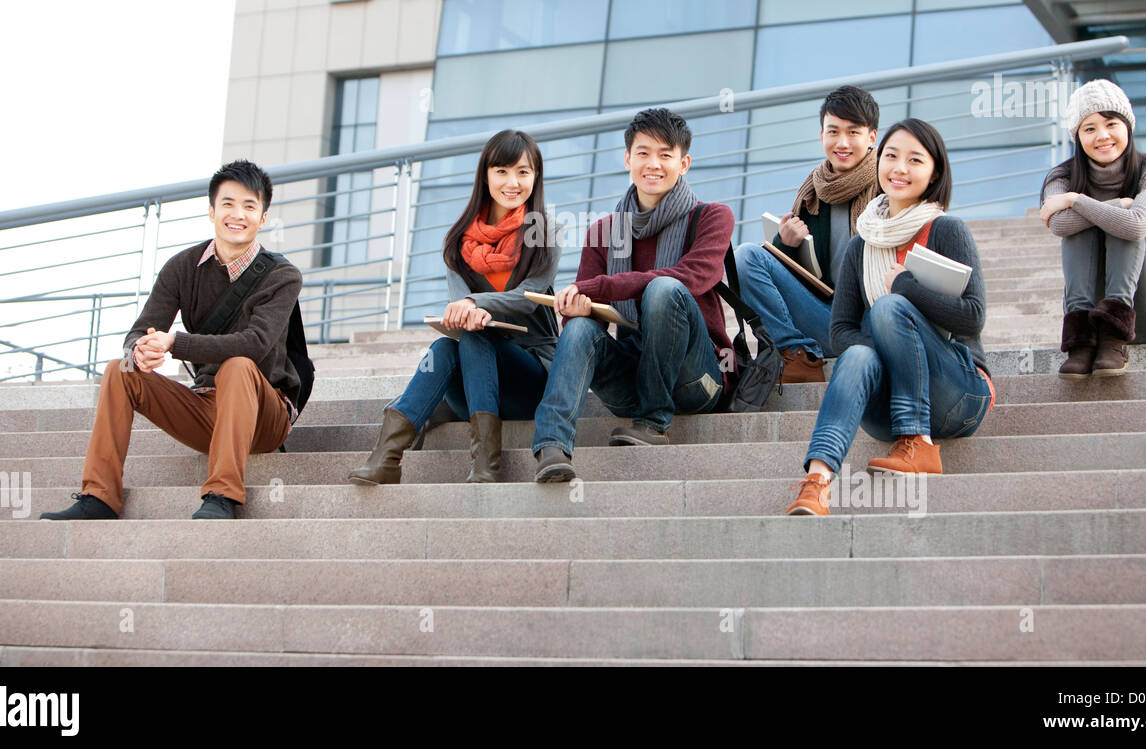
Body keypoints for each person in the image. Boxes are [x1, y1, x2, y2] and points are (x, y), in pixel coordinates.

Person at [41, 160, 304, 520]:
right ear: (211, 211)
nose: (237, 214)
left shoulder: (282, 275)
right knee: (121, 370)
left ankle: (222, 496)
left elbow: (253, 344)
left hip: (264, 413)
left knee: (238, 366)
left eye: (249, 206)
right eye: (227, 204)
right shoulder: (183, 267)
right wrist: (142, 349)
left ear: (263, 217)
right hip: (206, 408)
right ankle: (99, 497)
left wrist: (174, 343)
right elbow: (141, 329)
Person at [786, 119, 995, 516]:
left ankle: (918, 440)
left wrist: (906, 288)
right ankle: (817, 480)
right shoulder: (859, 246)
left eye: (915, 159)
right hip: (888, 408)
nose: (899, 168)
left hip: (958, 392)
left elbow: (973, 317)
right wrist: (879, 349)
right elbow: (841, 330)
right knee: (860, 354)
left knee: (889, 306)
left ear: (934, 173)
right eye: (891, 156)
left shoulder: (947, 230)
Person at [530, 108, 735, 483]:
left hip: (699, 380)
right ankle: (552, 445)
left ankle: (654, 423)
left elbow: (693, 277)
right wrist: (577, 310)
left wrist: (600, 287)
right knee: (577, 330)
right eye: (642, 153)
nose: (653, 164)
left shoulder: (712, 217)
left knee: (665, 289)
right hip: (631, 381)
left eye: (665, 154)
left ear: (684, 163)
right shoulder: (603, 232)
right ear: (628, 159)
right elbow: (587, 313)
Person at [348, 130, 559, 485]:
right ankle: (387, 456)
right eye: (502, 171)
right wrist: (467, 308)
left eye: (523, 172)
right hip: (476, 392)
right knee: (453, 342)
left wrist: (474, 302)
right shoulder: (458, 240)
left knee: (473, 335)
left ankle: (486, 464)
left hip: (531, 379)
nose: (513, 182)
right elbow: (459, 306)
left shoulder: (544, 232)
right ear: (485, 175)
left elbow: (529, 297)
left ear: (535, 177)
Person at [735, 85, 881, 383]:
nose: (842, 142)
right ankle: (800, 355)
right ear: (821, 136)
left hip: (873, 324)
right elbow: (802, 275)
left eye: (853, 132)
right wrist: (784, 245)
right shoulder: (812, 192)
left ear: (872, 137)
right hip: (826, 318)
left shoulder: (888, 185)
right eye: (833, 132)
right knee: (746, 257)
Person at [1039, 79, 1146, 377]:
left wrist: (1075, 200)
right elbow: (1060, 224)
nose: (1102, 136)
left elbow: (1135, 227)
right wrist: (1121, 203)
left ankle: (1115, 335)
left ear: (1127, 127)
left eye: (1111, 124)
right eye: (1089, 128)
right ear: (1078, 137)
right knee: (1090, 222)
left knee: (1126, 227)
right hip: (1091, 315)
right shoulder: (1061, 177)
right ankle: (1080, 341)